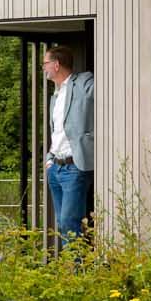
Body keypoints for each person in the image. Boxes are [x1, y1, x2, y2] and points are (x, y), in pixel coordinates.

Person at [42, 44, 94, 247]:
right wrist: (48, 159)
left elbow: (104, 88)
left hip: (74, 167)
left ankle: (77, 272)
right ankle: (71, 270)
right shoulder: (55, 96)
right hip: (55, 167)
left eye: (45, 63)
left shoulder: (83, 83)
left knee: (69, 223)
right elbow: (56, 132)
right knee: (63, 225)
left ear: (56, 65)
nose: (43, 68)